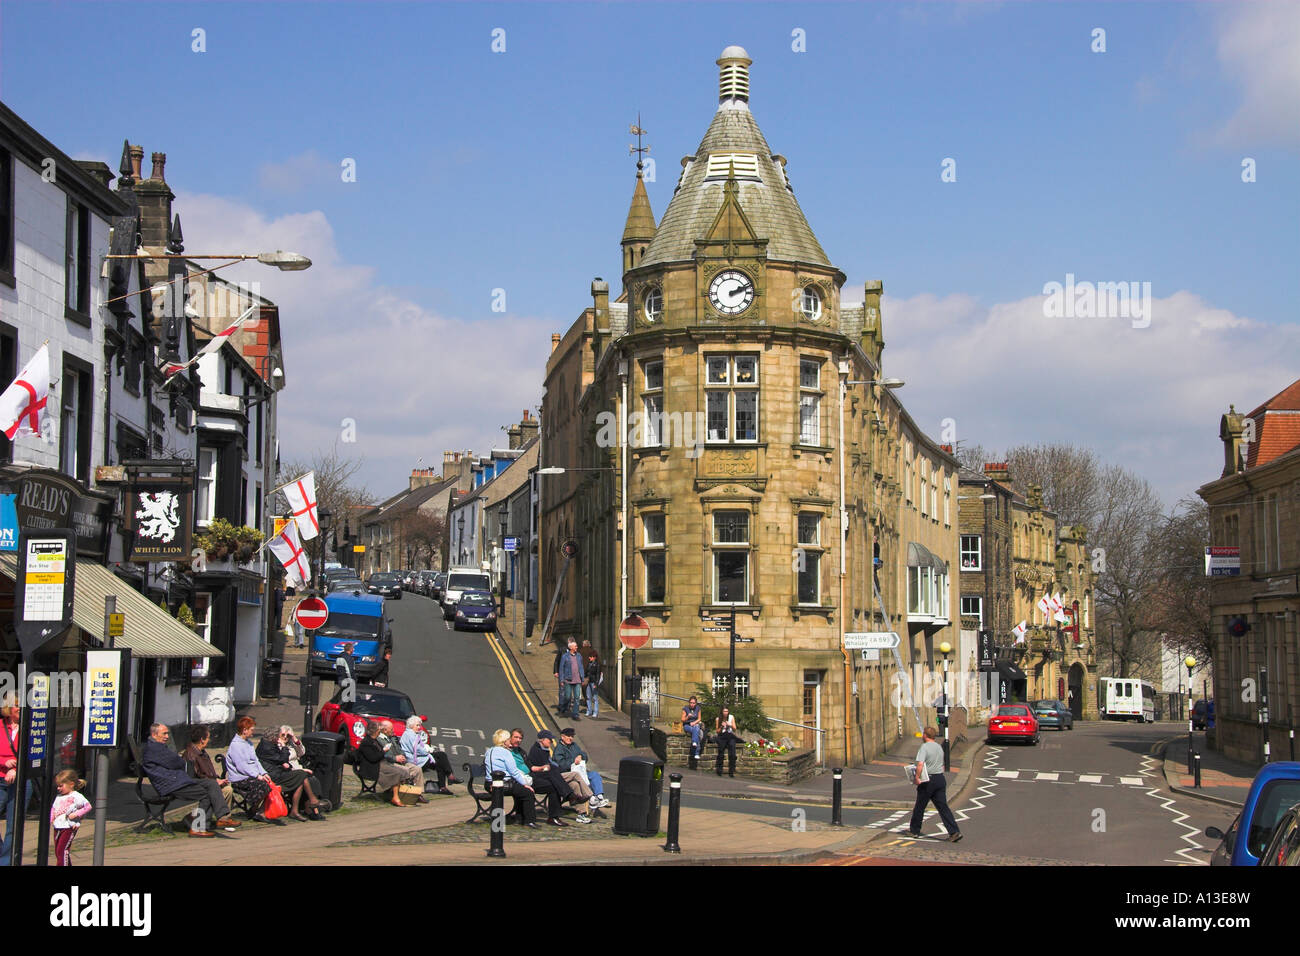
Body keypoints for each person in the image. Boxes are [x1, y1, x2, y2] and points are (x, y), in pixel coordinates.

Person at [140, 723, 242, 837]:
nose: (167, 736)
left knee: (211, 784)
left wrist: (177, 762)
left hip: (178, 780)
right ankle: (199, 827)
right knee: (206, 794)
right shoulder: (155, 748)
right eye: (164, 733)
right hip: (171, 784)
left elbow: (177, 762)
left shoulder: (159, 746)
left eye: (167, 733)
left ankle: (222, 817)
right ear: (154, 735)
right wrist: (177, 761)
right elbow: (178, 762)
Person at [256, 728, 326, 821]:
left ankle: (298, 810)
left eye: (287, 736)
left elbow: (302, 753)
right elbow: (282, 759)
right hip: (273, 775)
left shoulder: (271, 744)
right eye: (281, 736)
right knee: (302, 775)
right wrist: (284, 746)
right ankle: (311, 803)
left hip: (282, 771)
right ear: (274, 737)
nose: (283, 738)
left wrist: (293, 738)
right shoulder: (269, 747)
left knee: (303, 778)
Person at [509, 727, 573, 826]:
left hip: (529, 777)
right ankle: (568, 795)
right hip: (518, 781)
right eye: (516, 737)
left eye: (520, 738)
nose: (518, 740)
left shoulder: (521, 752)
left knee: (553, 785)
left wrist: (542, 768)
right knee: (553, 775)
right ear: (510, 738)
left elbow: (531, 767)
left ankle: (553, 817)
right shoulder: (506, 752)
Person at [909, 726, 962, 842]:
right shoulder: (939, 747)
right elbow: (941, 765)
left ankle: (914, 831)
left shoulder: (924, 747)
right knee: (943, 807)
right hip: (940, 779)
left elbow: (920, 764)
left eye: (923, 734)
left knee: (920, 807)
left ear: (925, 735)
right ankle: (954, 831)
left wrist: (917, 778)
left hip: (928, 780)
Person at [224, 716, 280, 825]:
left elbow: (256, 761)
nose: (253, 732)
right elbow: (241, 766)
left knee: (270, 783)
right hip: (239, 778)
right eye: (251, 730)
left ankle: (258, 811)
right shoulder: (236, 745)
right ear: (245, 730)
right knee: (263, 785)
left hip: (250, 776)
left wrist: (263, 773)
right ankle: (254, 810)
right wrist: (257, 775)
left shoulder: (248, 743)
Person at [528, 730, 592, 824]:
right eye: (549, 739)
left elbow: (584, 754)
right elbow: (544, 768)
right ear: (542, 740)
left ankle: (580, 812)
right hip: (542, 777)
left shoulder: (545, 749)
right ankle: (588, 796)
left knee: (574, 784)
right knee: (574, 775)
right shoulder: (536, 750)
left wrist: (579, 755)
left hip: (553, 776)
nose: (551, 741)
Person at [0, 692, 33, 866]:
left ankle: (5, 863)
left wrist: (17, 768)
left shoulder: (31, 728)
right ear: (8, 708)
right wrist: (4, 762)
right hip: (0, 779)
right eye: (16, 704)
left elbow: (35, 755)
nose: (20, 708)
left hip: (21, 780)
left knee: (13, 826)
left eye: (23, 705)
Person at [484, 729, 539, 828]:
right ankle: (529, 821)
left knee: (519, 791)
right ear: (504, 741)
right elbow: (514, 772)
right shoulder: (506, 753)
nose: (510, 741)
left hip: (489, 784)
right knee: (528, 793)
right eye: (508, 739)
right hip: (503, 784)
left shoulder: (489, 751)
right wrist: (525, 784)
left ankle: (507, 820)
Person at [552, 727, 611, 817]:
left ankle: (599, 798)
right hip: (568, 775)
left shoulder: (574, 745)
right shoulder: (559, 749)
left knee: (594, 775)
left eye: (572, 736)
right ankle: (591, 799)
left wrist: (580, 755)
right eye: (568, 736)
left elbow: (584, 755)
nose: (570, 738)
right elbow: (561, 765)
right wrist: (573, 761)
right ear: (562, 737)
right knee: (577, 782)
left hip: (580, 773)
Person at [358, 723, 414, 807]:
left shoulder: (375, 740)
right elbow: (373, 758)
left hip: (381, 764)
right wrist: (384, 751)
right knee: (396, 773)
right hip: (373, 767)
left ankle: (401, 795)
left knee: (402, 771)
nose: (379, 732)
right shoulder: (366, 742)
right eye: (379, 730)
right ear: (375, 731)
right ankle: (395, 797)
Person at [400, 717, 456, 794]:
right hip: (414, 760)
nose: (419, 727)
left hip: (418, 757)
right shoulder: (410, 735)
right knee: (441, 757)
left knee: (440, 762)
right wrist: (427, 751)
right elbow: (417, 749)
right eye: (417, 725)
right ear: (411, 725)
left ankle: (445, 785)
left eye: (420, 725)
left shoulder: (410, 733)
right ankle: (449, 777)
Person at [183, 726, 232, 808]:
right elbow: (196, 775)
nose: (209, 740)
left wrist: (217, 779)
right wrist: (214, 781)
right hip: (201, 785)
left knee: (228, 789)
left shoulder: (202, 752)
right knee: (226, 790)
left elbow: (209, 770)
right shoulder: (190, 754)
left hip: (210, 782)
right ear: (202, 739)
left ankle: (224, 817)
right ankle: (221, 816)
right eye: (208, 738)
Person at [49, 770, 91, 866]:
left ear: (71, 784)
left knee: (62, 850)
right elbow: (53, 808)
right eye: (58, 786)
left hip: (69, 826)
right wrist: (51, 819)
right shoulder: (59, 797)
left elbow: (88, 806)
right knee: (58, 851)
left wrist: (76, 814)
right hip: (58, 826)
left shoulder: (77, 796)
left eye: (61, 786)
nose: (58, 788)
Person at [377, 720, 425, 793]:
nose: (393, 731)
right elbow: (384, 754)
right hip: (390, 763)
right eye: (391, 729)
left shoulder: (392, 738)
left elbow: (400, 749)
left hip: (400, 761)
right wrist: (395, 758)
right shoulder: (379, 740)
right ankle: (403, 792)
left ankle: (418, 793)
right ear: (385, 730)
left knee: (417, 769)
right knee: (405, 770)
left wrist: (402, 755)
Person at [558, 638, 584, 721]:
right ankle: (563, 709)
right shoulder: (565, 656)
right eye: (575, 646)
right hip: (568, 680)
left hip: (577, 680)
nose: (577, 647)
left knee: (577, 698)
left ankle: (575, 714)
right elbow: (561, 669)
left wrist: (582, 678)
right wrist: (561, 680)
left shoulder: (579, 656)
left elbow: (581, 667)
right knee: (568, 697)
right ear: (571, 648)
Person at [681, 695, 704, 770]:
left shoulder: (698, 708)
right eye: (691, 703)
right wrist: (688, 717)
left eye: (694, 703)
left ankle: (694, 742)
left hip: (694, 725)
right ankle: (697, 753)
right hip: (687, 726)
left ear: (696, 703)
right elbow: (682, 720)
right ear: (689, 703)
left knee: (696, 727)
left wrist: (694, 723)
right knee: (697, 731)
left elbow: (699, 718)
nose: (692, 704)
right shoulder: (685, 708)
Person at [714, 705, 738, 777]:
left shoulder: (731, 717)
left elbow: (734, 728)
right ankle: (719, 770)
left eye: (727, 711)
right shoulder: (718, 719)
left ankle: (731, 771)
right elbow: (717, 731)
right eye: (724, 711)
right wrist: (721, 726)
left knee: (732, 753)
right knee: (721, 752)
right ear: (722, 712)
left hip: (730, 735)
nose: (726, 713)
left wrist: (729, 724)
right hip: (722, 736)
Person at [581, 642, 601, 717]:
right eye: (589, 657)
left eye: (591, 657)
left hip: (593, 682)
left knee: (595, 698)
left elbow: (598, 675)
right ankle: (589, 711)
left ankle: (595, 712)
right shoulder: (589, 664)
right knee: (588, 697)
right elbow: (586, 673)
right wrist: (584, 679)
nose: (589, 658)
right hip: (588, 682)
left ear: (594, 657)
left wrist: (596, 684)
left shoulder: (597, 665)